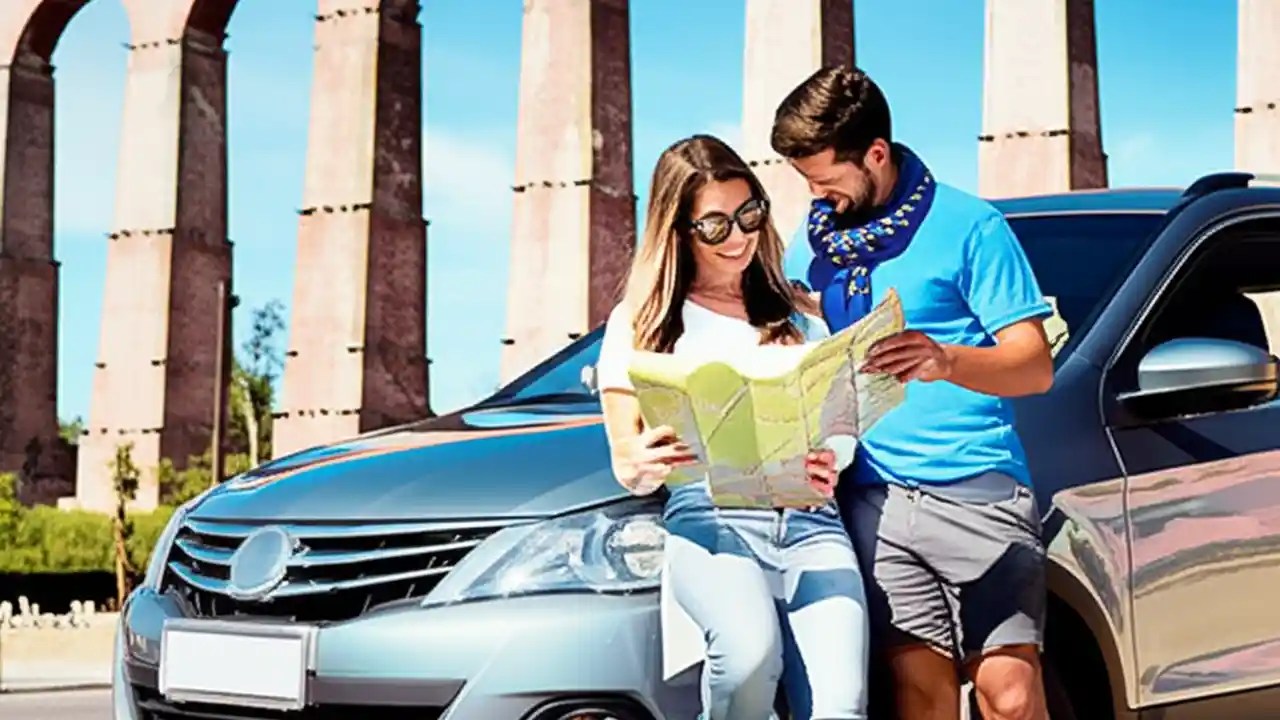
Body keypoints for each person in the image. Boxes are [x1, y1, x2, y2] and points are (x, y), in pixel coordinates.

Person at [770, 65, 1056, 720]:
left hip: (978, 492)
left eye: (824, 177)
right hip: (876, 505)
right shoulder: (808, 250)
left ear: (874, 153)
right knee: (919, 699)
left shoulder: (971, 226)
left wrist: (944, 358)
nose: (817, 194)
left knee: (1008, 696)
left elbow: (1033, 365)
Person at [593, 134, 870, 720]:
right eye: (716, 226)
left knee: (841, 705)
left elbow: (840, 425)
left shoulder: (798, 312)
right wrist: (642, 462)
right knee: (748, 658)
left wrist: (833, 457)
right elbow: (627, 462)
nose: (740, 236)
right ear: (678, 232)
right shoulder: (641, 324)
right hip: (711, 517)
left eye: (749, 214)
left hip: (811, 520)